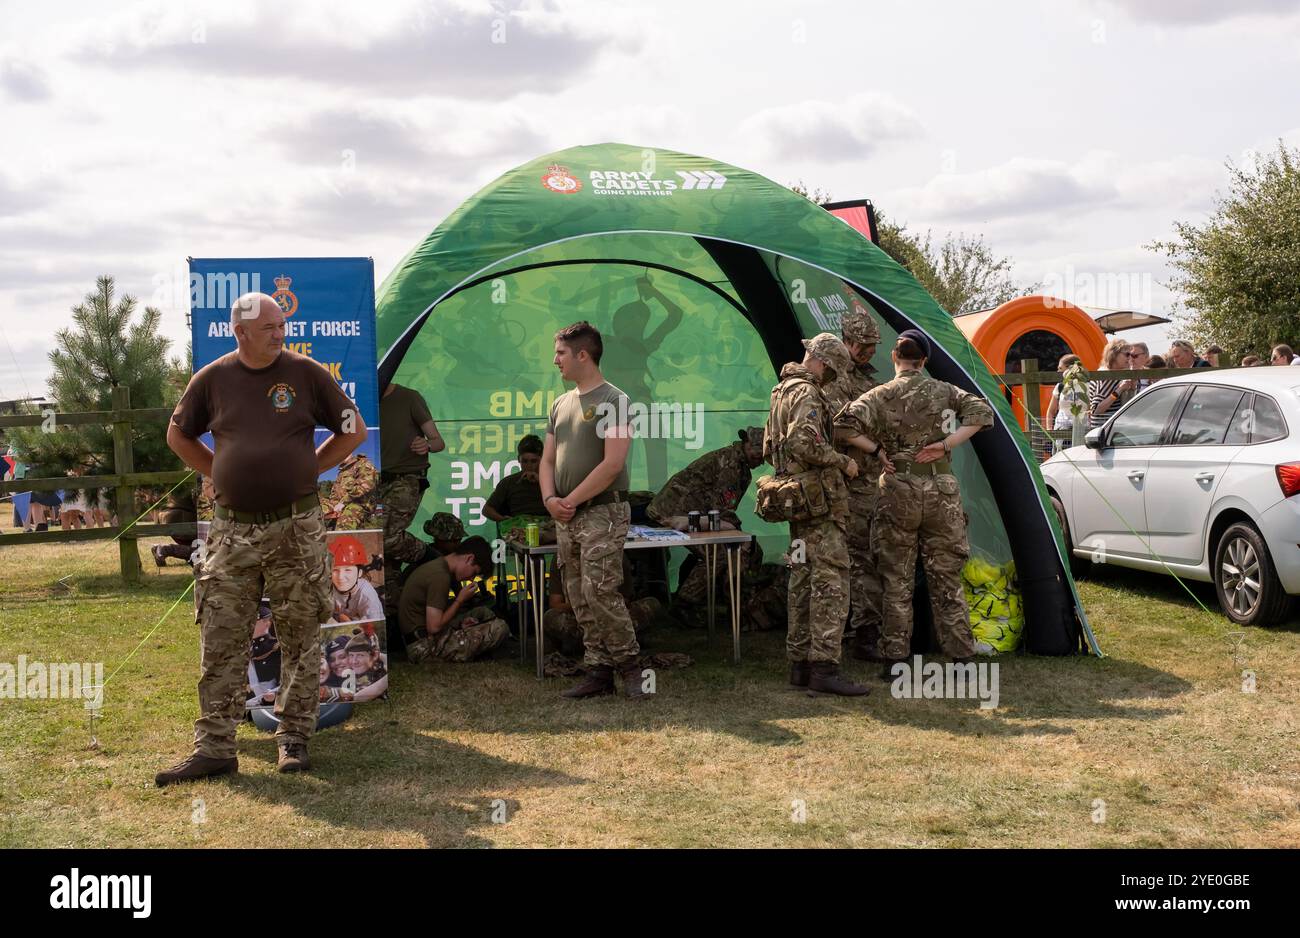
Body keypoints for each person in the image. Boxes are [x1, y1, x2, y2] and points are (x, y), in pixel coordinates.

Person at [156, 291, 367, 785]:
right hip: (231, 531)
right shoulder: (213, 379)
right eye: (271, 327)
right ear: (241, 332)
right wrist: (216, 472)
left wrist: (307, 468)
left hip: (296, 526)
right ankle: (215, 747)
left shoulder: (307, 374)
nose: (281, 333)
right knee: (222, 633)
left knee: (300, 630)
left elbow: (352, 429)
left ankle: (293, 737)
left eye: (282, 325)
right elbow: (177, 435)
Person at [835, 330, 994, 673]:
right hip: (940, 490)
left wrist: (877, 450)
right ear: (924, 361)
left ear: (894, 358)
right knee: (946, 578)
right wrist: (946, 445)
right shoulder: (944, 390)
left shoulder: (880, 394)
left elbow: (842, 426)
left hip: (897, 491)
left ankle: (895, 660)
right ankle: (963, 659)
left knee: (896, 579)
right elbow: (982, 414)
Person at [540, 321, 646, 700]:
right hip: (568, 516)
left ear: (583, 354)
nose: (556, 361)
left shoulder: (615, 400)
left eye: (561, 353)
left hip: (602, 511)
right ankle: (598, 669)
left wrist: (571, 500)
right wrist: (551, 500)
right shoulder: (560, 404)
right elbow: (547, 460)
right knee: (578, 595)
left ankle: (631, 667)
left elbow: (613, 464)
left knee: (601, 591)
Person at [765, 332, 869, 696]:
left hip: (798, 502)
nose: (830, 379)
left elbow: (770, 448)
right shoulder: (808, 393)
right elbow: (803, 442)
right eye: (832, 372)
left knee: (802, 581)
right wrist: (842, 461)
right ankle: (824, 668)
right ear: (823, 362)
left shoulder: (782, 391)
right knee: (830, 583)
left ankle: (800, 665)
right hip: (819, 504)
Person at [645, 426, 765, 618]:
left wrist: (735, 530)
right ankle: (684, 605)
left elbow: (722, 513)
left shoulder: (739, 466)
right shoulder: (732, 466)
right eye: (758, 451)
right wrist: (736, 533)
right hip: (673, 515)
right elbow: (720, 514)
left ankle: (705, 595)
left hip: (689, 515)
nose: (761, 458)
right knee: (718, 554)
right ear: (747, 445)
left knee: (730, 546)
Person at [832, 306, 886, 660]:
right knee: (855, 557)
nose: (869, 351)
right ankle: (860, 631)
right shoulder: (837, 376)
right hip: (848, 479)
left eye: (873, 344)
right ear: (847, 341)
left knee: (868, 554)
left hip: (870, 481)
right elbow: (840, 426)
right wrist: (876, 447)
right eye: (863, 344)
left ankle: (866, 628)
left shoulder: (870, 378)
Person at [377, 381, 445, 629]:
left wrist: (426, 444)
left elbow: (438, 441)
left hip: (407, 476)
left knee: (384, 537)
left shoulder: (409, 398)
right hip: (373, 480)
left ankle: (429, 556)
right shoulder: (360, 397)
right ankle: (394, 620)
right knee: (380, 555)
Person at [399, 536, 509, 662]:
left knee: (482, 612)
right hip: (423, 648)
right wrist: (460, 600)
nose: (471, 579)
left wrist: (461, 623)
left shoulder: (439, 565)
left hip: (423, 635)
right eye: (474, 573)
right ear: (469, 558)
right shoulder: (440, 576)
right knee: (499, 628)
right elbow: (434, 627)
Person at [544, 566, 662, 658]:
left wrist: (602, 604)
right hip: (579, 618)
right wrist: (586, 604)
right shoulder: (562, 558)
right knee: (551, 617)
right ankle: (612, 643)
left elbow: (626, 600)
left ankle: (613, 641)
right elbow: (555, 604)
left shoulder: (613, 552)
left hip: (612, 617)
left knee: (652, 604)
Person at [483, 434, 548, 526]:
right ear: (519, 460)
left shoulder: (552, 482)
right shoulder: (508, 483)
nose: (529, 466)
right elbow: (487, 510)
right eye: (525, 461)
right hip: (519, 529)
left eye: (534, 461)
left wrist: (542, 482)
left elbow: (565, 504)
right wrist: (504, 520)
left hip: (547, 527)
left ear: (542, 459)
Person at [328, 534, 384, 623]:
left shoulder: (368, 598)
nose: (340, 577)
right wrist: (339, 616)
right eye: (335, 570)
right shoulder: (327, 585)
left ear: (359, 573)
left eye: (348, 570)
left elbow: (374, 628)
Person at [1044, 353, 1084, 456]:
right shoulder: (1060, 386)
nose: (1058, 371)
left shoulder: (1086, 385)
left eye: (1060, 368)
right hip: (1061, 431)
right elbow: (1051, 411)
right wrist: (1050, 431)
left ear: (1070, 368)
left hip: (1082, 430)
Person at [329, 451, 379, 530]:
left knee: (344, 526)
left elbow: (365, 486)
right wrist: (332, 507)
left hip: (360, 504)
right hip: (341, 507)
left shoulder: (363, 463)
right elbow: (335, 495)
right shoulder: (341, 472)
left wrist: (342, 502)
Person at [1088, 338, 1132, 427]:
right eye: (1127, 354)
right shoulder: (1106, 376)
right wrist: (1119, 390)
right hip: (1102, 430)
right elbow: (1096, 410)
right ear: (1114, 355)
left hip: (1109, 428)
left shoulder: (1116, 375)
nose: (1129, 358)